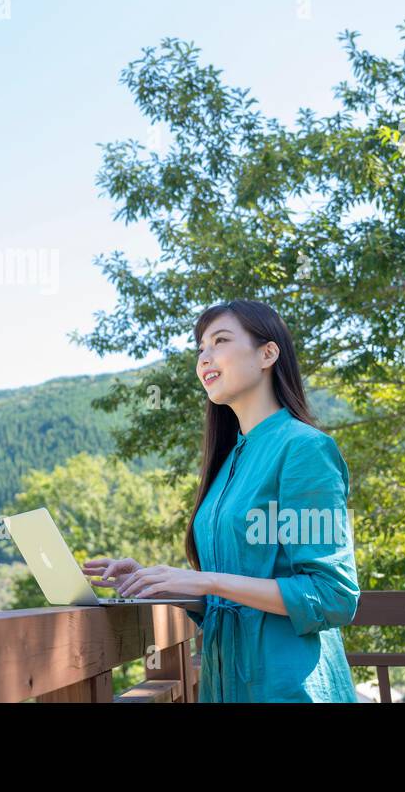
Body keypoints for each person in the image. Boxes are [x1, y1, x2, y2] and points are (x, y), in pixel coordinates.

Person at [82, 299, 360, 702]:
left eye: (220, 341)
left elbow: (332, 595)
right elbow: (232, 590)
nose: (204, 358)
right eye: (200, 349)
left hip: (289, 688)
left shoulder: (304, 449)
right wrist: (159, 584)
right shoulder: (230, 458)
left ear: (267, 353)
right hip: (222, 685)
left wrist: (206, 579)